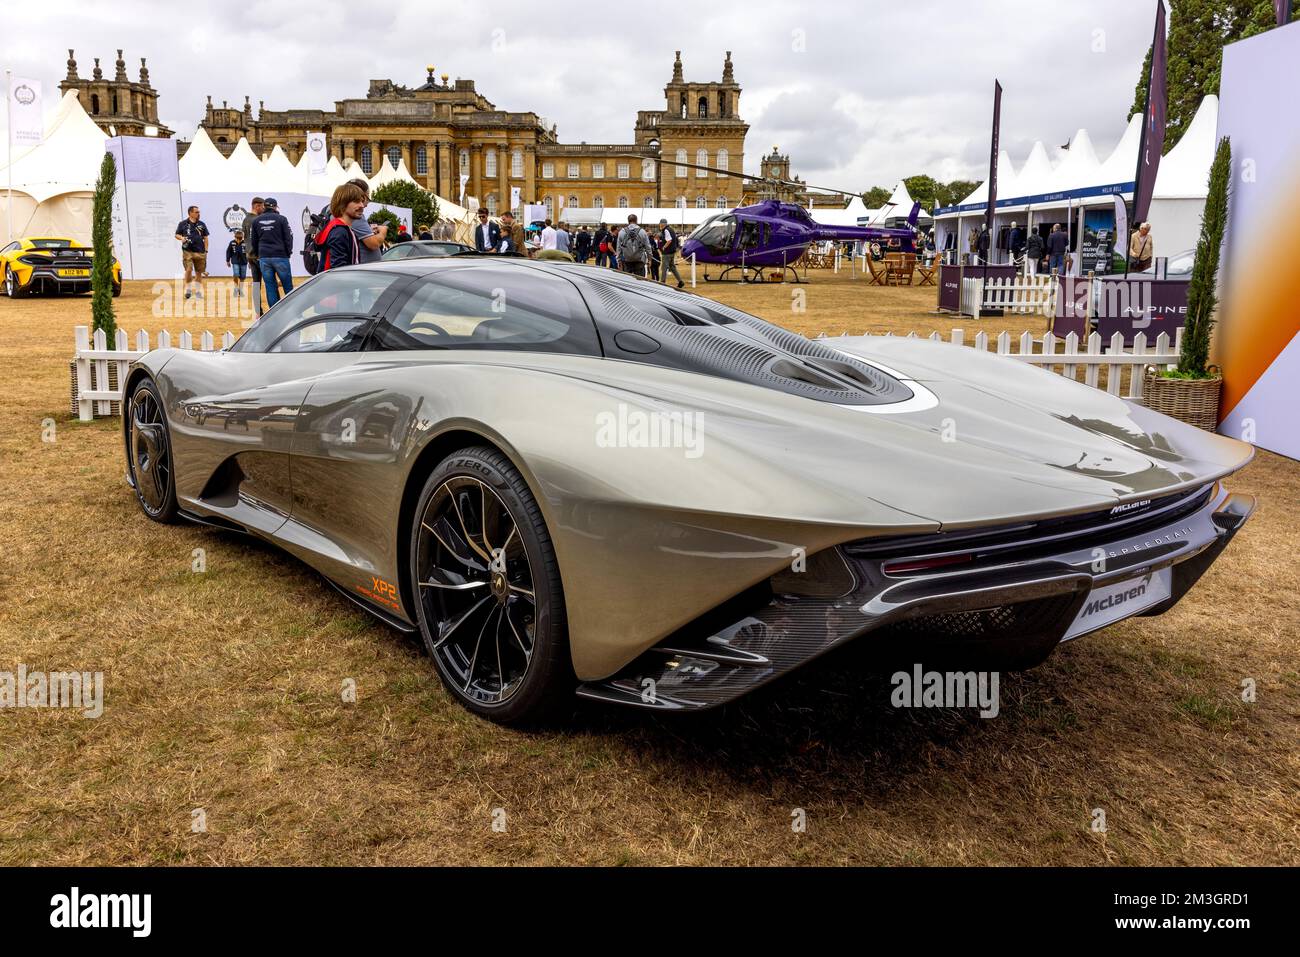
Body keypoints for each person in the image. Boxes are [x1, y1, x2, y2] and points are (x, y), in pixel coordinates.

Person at [250, 197, 294, 307]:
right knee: (287, 286)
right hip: (280, 256)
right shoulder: (282, 219)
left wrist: (258, 255)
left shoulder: (256, 221)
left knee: (270, 287)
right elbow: (288, 238)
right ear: (275, 207)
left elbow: (253, 241)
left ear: (264, 206)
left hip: (264, 257)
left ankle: (274, 316)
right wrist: (288, 253)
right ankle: (293, 312)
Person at [314, 182, 366, 270]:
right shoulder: (339, 232)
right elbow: (339, 271)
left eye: (362, 201)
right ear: (342, 204)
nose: (362, 205)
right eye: (356, 201)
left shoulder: (340, 228)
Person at [174, 205, 209, 300]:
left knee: (198, 272)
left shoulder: (202, 224)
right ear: (190, 213)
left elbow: (206, 238)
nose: (198, 213)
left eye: (199, 212)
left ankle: (198, 291)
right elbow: (176, 235)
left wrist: (206, 251)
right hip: (187, 251)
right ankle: (188, 289)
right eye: (196, 212)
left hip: (200, 251)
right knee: (188, 269)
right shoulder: (183, 224)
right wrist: (182, 238)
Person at [241, 197, 266, 316]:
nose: (264, 209)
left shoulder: (245, 219)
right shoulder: (257, 219)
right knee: (269, 283)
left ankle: (258, 312)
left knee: (256, 284)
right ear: (256, 206)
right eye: (262, 206)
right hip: (258, 255)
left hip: (250, 255)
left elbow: (246, 237)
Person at [658, 218, 685, 287]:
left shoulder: (666, 230)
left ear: (662, 224)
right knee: (672, 267)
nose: (660, 225)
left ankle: (662, 283)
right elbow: (675, 240)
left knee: (664, 268)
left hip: (667, 252)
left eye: (660, 224)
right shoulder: (671, 229)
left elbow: (669, 240)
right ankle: (680, 281)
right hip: (672, 252)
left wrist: (664, 247)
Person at [225, 230, 248, 298]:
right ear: (235, 237)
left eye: (240, 239)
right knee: (236, 274)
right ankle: (235, 288)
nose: (238, 240)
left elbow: (249, 252)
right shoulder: (232, 243)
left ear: (242, 237)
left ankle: (240, 290)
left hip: (244, 262)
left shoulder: (245, 243)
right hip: (235, 261)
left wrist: (250, 262)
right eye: (237, 238)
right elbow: (228, 252)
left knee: (243, 277)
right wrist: (228, 261)